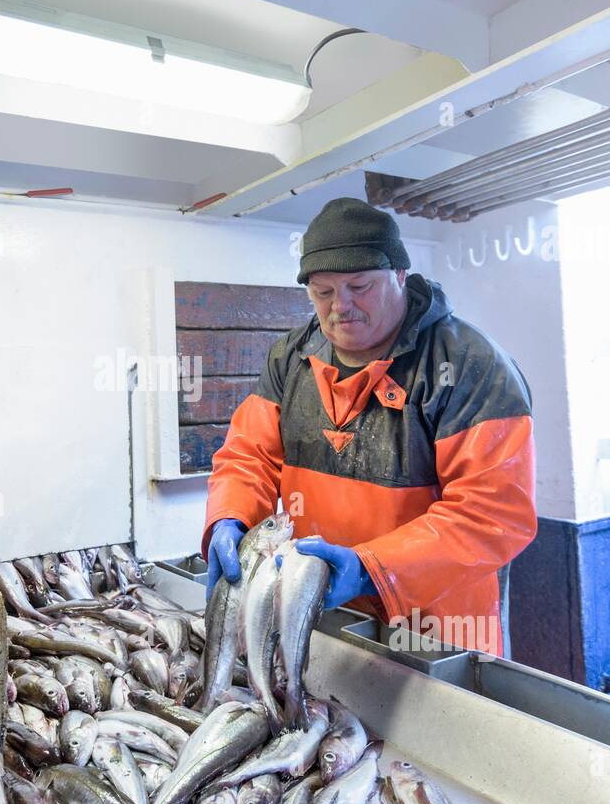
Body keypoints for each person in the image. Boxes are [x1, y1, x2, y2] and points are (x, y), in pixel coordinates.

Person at [202, 197, 537, 654]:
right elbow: (249, 456)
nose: (341, 306)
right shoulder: (290, 357)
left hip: (435, 629)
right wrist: (230, 516)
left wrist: (373, 568)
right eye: (322, 292)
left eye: (359, 286)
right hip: (317, 611)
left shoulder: (471, 367)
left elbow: (493, 515)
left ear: (400, 275)